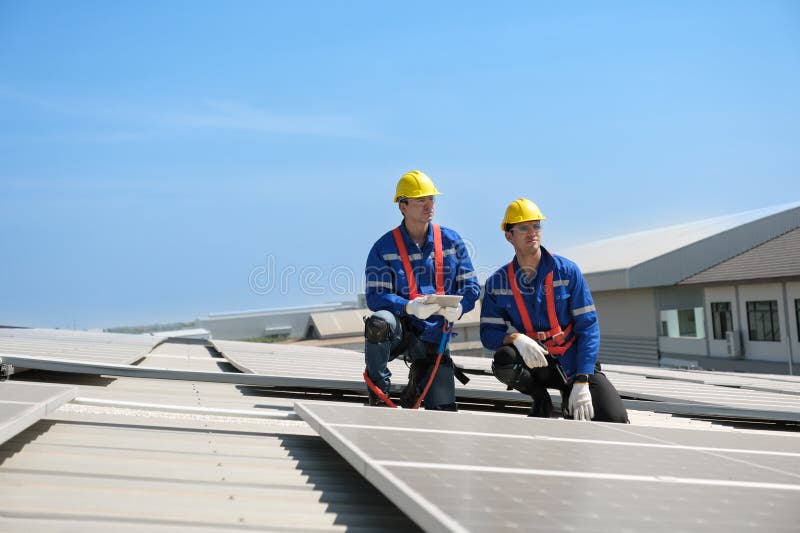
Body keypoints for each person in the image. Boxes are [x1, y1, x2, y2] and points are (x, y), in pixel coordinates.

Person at [480, 198, 628, 422]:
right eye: (523, 228)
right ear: (508, 236)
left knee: (614, 418)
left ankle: (570, 393)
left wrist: (582, 381)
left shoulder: (567, 272)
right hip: (536, 363)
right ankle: (540, 399)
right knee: (504, 359)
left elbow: (588, 327)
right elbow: (488, 334)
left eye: (536, 226)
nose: (533, 233)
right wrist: (516, 338)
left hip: (573, 361)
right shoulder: (497, 283)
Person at [363, 170, 480, 410]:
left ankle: (419, 378)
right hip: (402, 329)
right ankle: (379, 391)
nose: (429, 206)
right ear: (402, 206)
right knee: (378, 323)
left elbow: (471, 287)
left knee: (444, 410)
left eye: (431, 200)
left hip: (436, 335)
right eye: (420, 200)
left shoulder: (452, 241)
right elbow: (376, 297)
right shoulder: (383, 248)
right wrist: (408, 306)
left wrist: (459, 309)